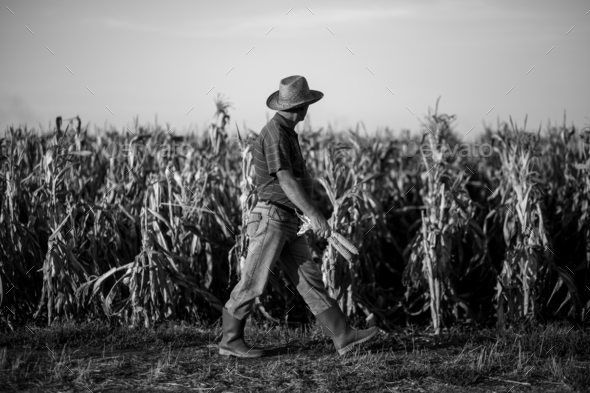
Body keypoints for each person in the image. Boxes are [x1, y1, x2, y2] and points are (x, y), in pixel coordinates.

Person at [219, 75, 378, 357]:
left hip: (288, 220)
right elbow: (285, 179)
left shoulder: (286, 133)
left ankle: (342, 335)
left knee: (310, 280)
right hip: (272, 218)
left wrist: (306, 216)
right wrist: (315, 215)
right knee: (253, 281)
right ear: (303, 106)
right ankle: (230, 341)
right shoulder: (277, 134)